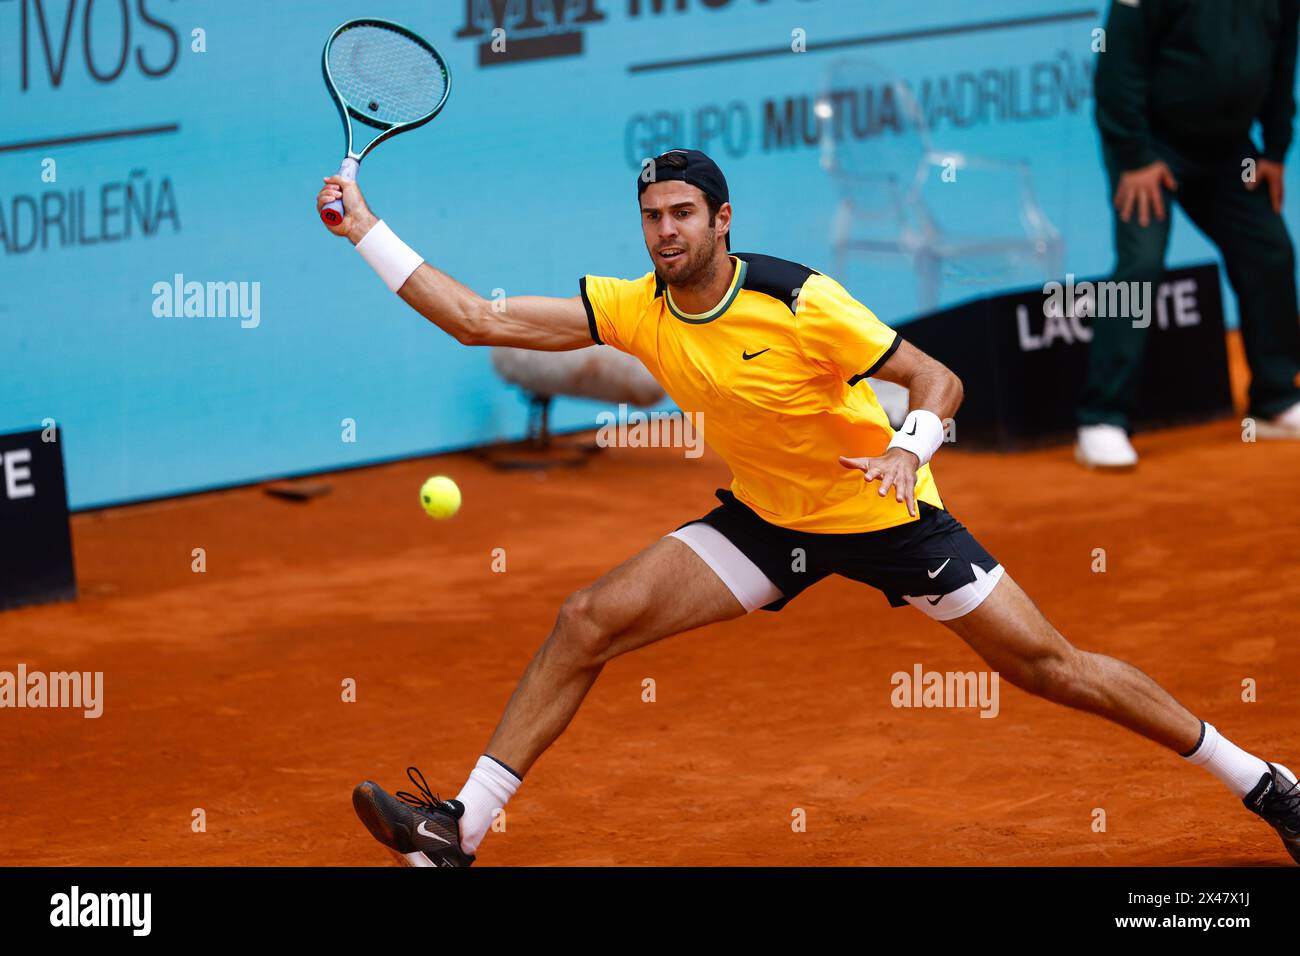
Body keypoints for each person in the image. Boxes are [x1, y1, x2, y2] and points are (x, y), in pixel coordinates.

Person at [317, 148, 1299, 866]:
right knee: (587, 617)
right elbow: (475, 317)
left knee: (1050, 666)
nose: (664, 231)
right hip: (769, 521)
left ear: (722, 219)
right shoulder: (636, 307)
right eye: (652, 215)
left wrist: (908, 451)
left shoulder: (800, 299)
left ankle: (1260, 780)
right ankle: (458, 828)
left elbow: (937, 379)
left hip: (888, 519)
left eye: (681, 214)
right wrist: (366, 230)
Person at [1077, 0, 1300, 469]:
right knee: (1141, 264)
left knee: (1270, 252)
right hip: (1149, 147)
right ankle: (1102, 418)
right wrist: (1135, 156)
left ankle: (1274, 400)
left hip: (1230, 150)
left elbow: (1282, 63)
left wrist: (1275, 149)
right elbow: (1117, 69)